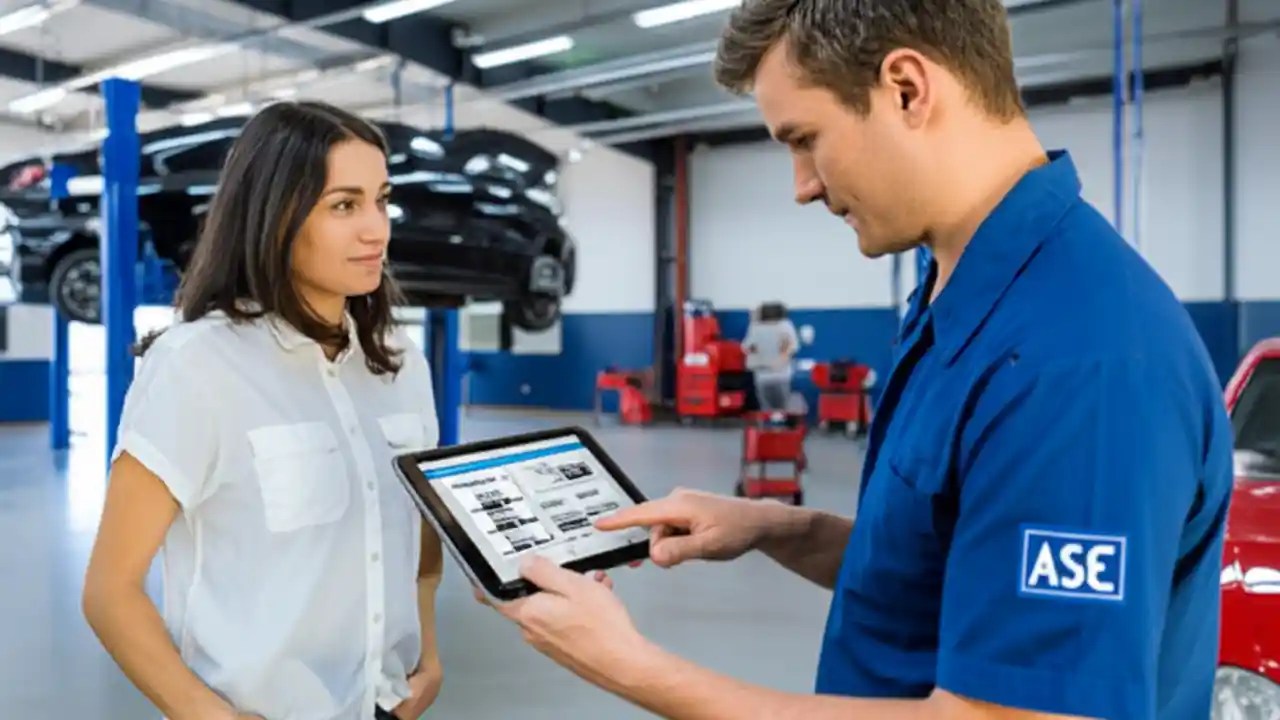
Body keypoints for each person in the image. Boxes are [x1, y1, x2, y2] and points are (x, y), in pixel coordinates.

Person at [480, 1, 1234, 719]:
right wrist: (777, 528)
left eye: (805, 139)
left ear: (906, 89)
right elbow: (949, 573)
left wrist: (629, 665)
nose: (803, 186)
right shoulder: (960, 292)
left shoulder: (1078, 363)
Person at [82, 101, 446, 720]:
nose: (376, 230)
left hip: (388, 705)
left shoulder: (400, 363)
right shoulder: (198, 365)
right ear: (275, 215)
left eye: (382, 201)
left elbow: (421, 544)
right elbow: (109, 591)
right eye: (344, 205)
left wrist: (427, 657)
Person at [743, 301, 799, 412]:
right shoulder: (785, 326)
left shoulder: (755, 327)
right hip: (781, 374)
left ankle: (769, 422)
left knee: (766, 409)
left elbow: (746, 347)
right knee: (783, 409)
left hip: (762, 375)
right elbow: (792, 347)